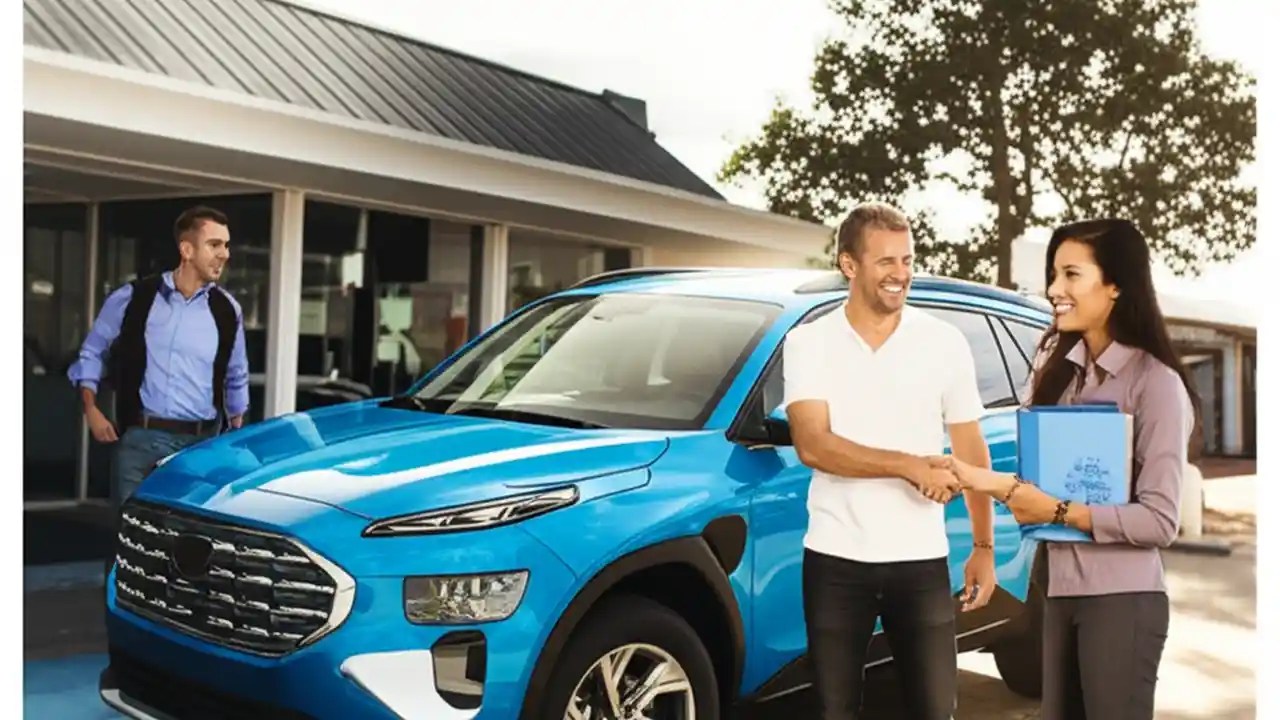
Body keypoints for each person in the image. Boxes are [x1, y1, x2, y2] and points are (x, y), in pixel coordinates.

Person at [944, 218, 1196, 719]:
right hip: (1057, 592)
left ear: (1116, 285)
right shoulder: (1056, 374)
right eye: (1053, 275)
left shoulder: (1156, 384)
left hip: (1123, 600)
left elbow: (1161, 520)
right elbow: (1040, 492)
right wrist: (991, 485)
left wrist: (1056, 510)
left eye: (1071, 275)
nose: (1054, 290)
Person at [783, 201, 998, 720]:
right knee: (835, 712)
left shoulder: (944, 343)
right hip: (835, 560)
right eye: (886, 262)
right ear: (849, 265)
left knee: (933, 712)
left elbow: (970, 449)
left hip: (920, 560)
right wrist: (909, 465)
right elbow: (814, 444)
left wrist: (984, 546)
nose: (901, 274)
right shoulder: (809, 343)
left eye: (907, 260)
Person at [69, 205, 250, 509]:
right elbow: (92, 350)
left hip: (201, 447)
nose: (225, 254)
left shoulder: (227, 309)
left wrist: (235, 432)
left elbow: (237, 374)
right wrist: (91, 408)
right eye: (215, 244)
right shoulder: (134, 297)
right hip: (142, 440)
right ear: (187, 249)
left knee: (186, 544)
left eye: (227, 245)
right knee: (129, 537)